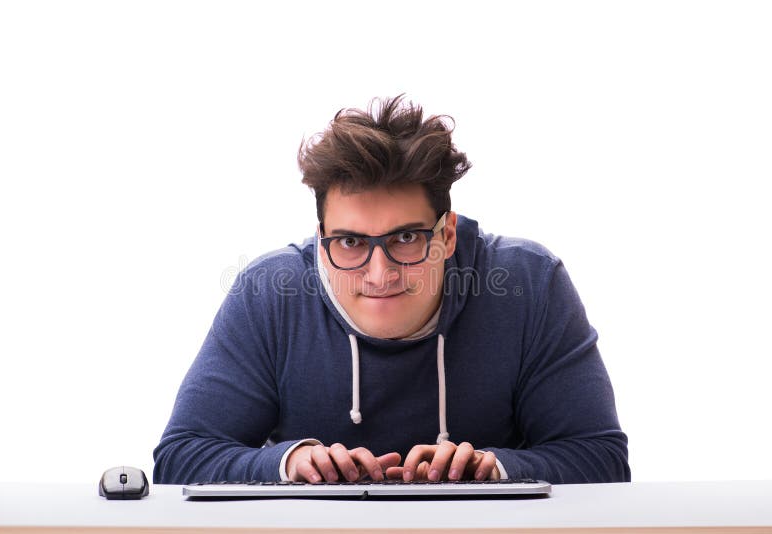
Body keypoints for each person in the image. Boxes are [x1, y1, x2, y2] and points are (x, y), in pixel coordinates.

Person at [153, 95, 630, 485]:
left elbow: (602, 460)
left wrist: (496, 469)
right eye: (350, 242)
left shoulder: (531, 283)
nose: (379, 273)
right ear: (321, 243)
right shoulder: (267, 294)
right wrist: (287, 463)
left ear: (446, 236)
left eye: (406, 238)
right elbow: (180, 458)